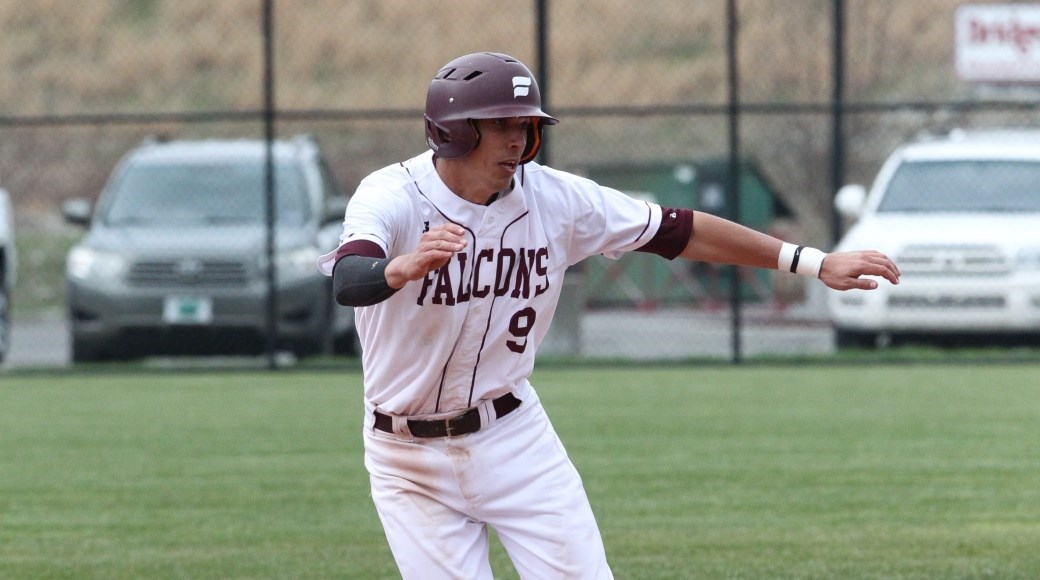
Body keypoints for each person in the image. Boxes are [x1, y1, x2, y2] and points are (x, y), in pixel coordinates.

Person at [317, 51, 900, 579]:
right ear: (451, 131)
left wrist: (812, 261)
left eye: (525, 126)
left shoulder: (556, 199)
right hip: (406, 457)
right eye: (500, 125)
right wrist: (399, 268)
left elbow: (677, 230)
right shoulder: (392, 195)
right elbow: (348, 278)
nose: (517, 140)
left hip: (513, 438)